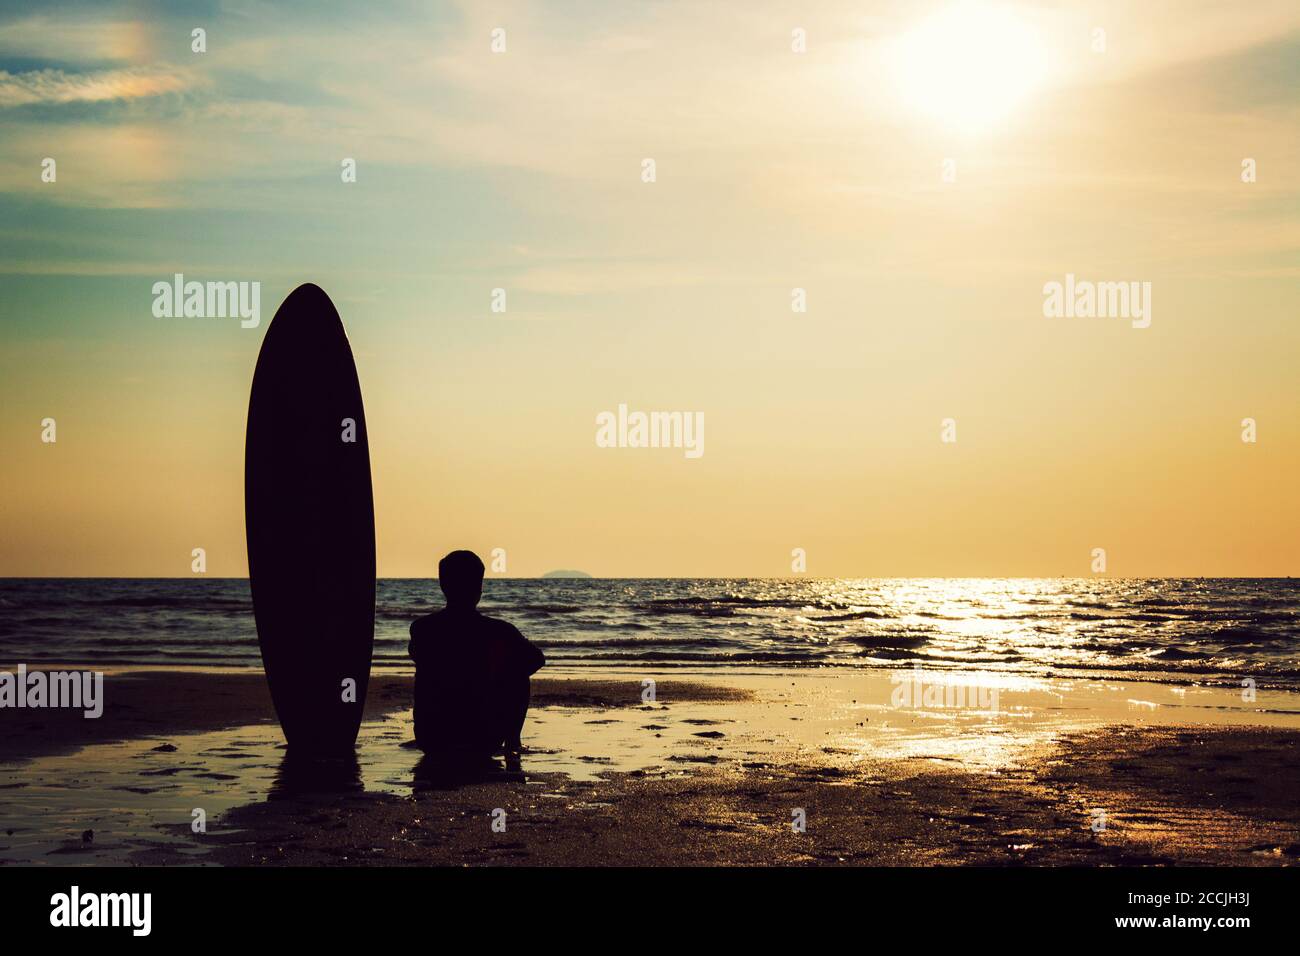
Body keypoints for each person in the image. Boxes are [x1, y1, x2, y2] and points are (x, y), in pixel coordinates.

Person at [408, 550, 545, 766]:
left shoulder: (422, 629)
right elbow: (536, 660)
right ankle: (513, 741)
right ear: (479, 588)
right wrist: (498, 670)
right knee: (518, 674)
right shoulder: (499, 631)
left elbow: (420, 657)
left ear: (443, 585)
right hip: (483, 736)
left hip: (432, 737)